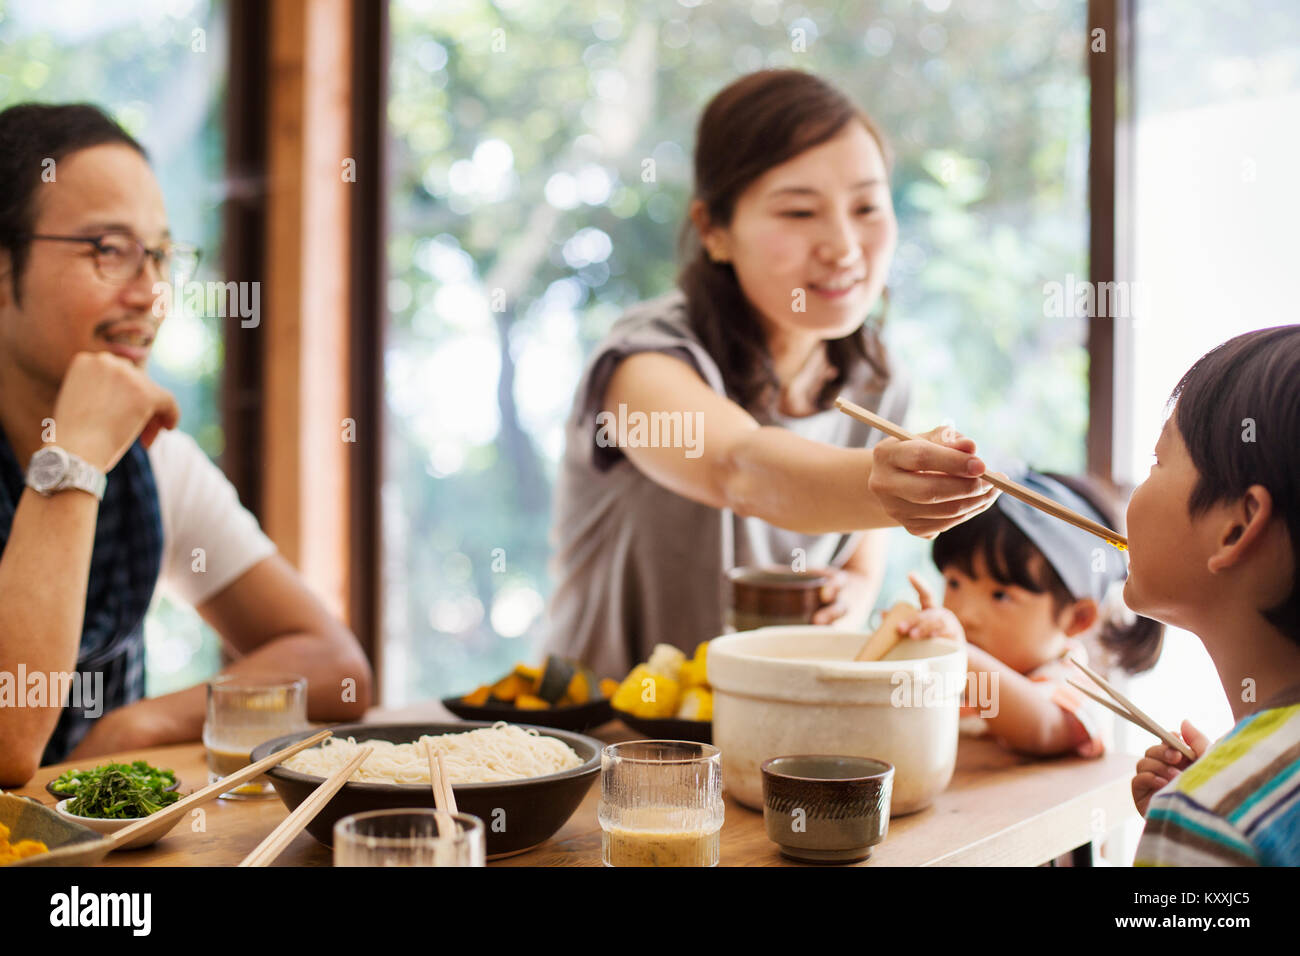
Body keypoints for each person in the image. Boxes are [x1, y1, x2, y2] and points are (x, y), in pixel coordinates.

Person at [544, 70, 1000, 678]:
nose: (843, 245)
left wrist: (855, 594)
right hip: (611, 743)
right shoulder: (642, 362)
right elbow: (739, 467)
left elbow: (861, 561)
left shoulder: (877, 379)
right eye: (799, 211)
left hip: (773, 740)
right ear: (714, 231)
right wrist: (885, 486)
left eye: (866, 205)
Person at [0, 103, 373, 787]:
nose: (150, 294)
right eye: (108, 251)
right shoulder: (102, 445)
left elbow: (336, 669)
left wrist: (140, 723)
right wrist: (75, 456)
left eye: (162, 256)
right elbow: (8, 742)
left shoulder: (153, 459)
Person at [1123, 326, 1300, 866]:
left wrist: (1197, 825)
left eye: (1158, 461)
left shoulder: (1211, 816)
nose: (1139, 487)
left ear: (1237, 527)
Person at [901, 470, 1164, 756]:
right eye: (954, 583)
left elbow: (1042, 728)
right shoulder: (953, 677)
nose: (965, 615)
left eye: (1000, 595)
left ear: (1077, 619)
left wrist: (962, 656)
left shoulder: (1074, 684)